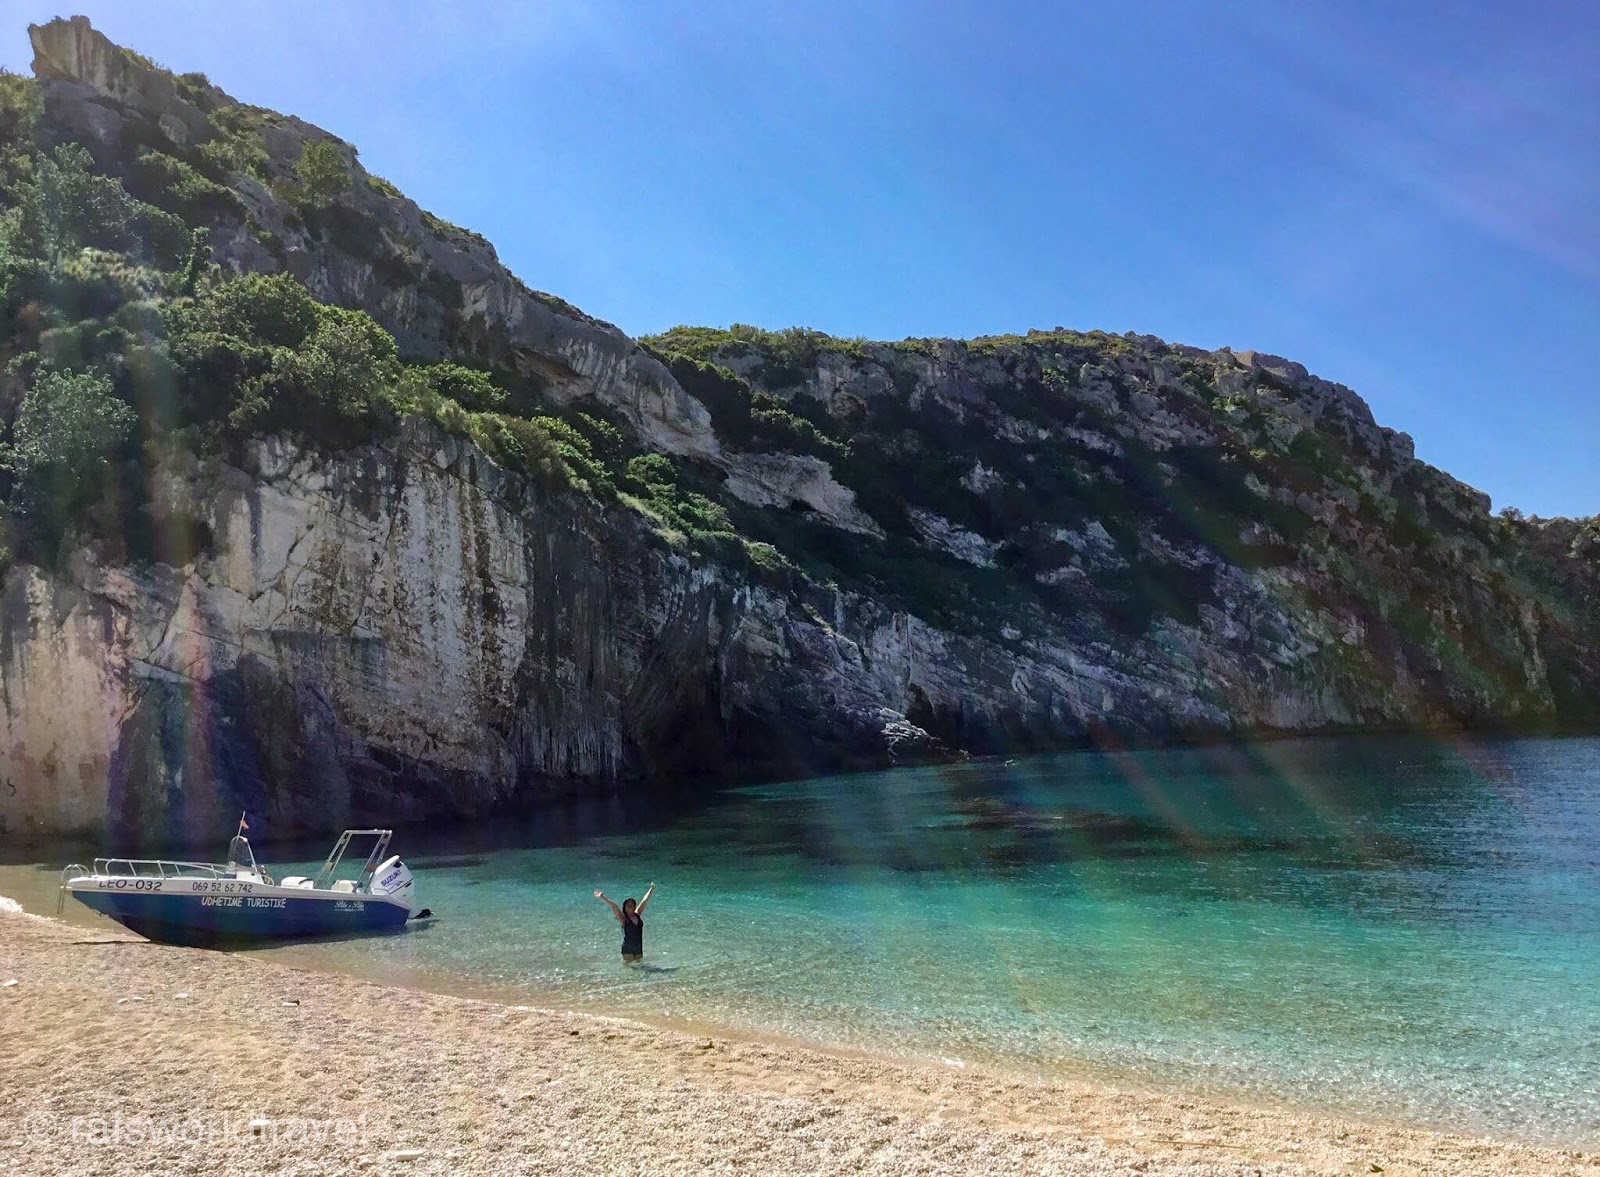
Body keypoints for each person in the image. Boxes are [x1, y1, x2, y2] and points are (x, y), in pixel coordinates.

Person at [594, 882, 655, 963]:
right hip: (627, 949)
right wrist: (602, 897)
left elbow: (644, 901)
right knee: (629, 970)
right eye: (628, 906)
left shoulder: (637, 914)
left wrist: (651, 890)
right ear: (624, 907)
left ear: (634, 907)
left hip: (638, 948)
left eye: (632, 906)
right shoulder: (623, 918)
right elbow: (613, 906)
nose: (630, 908)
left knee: (639, 969)